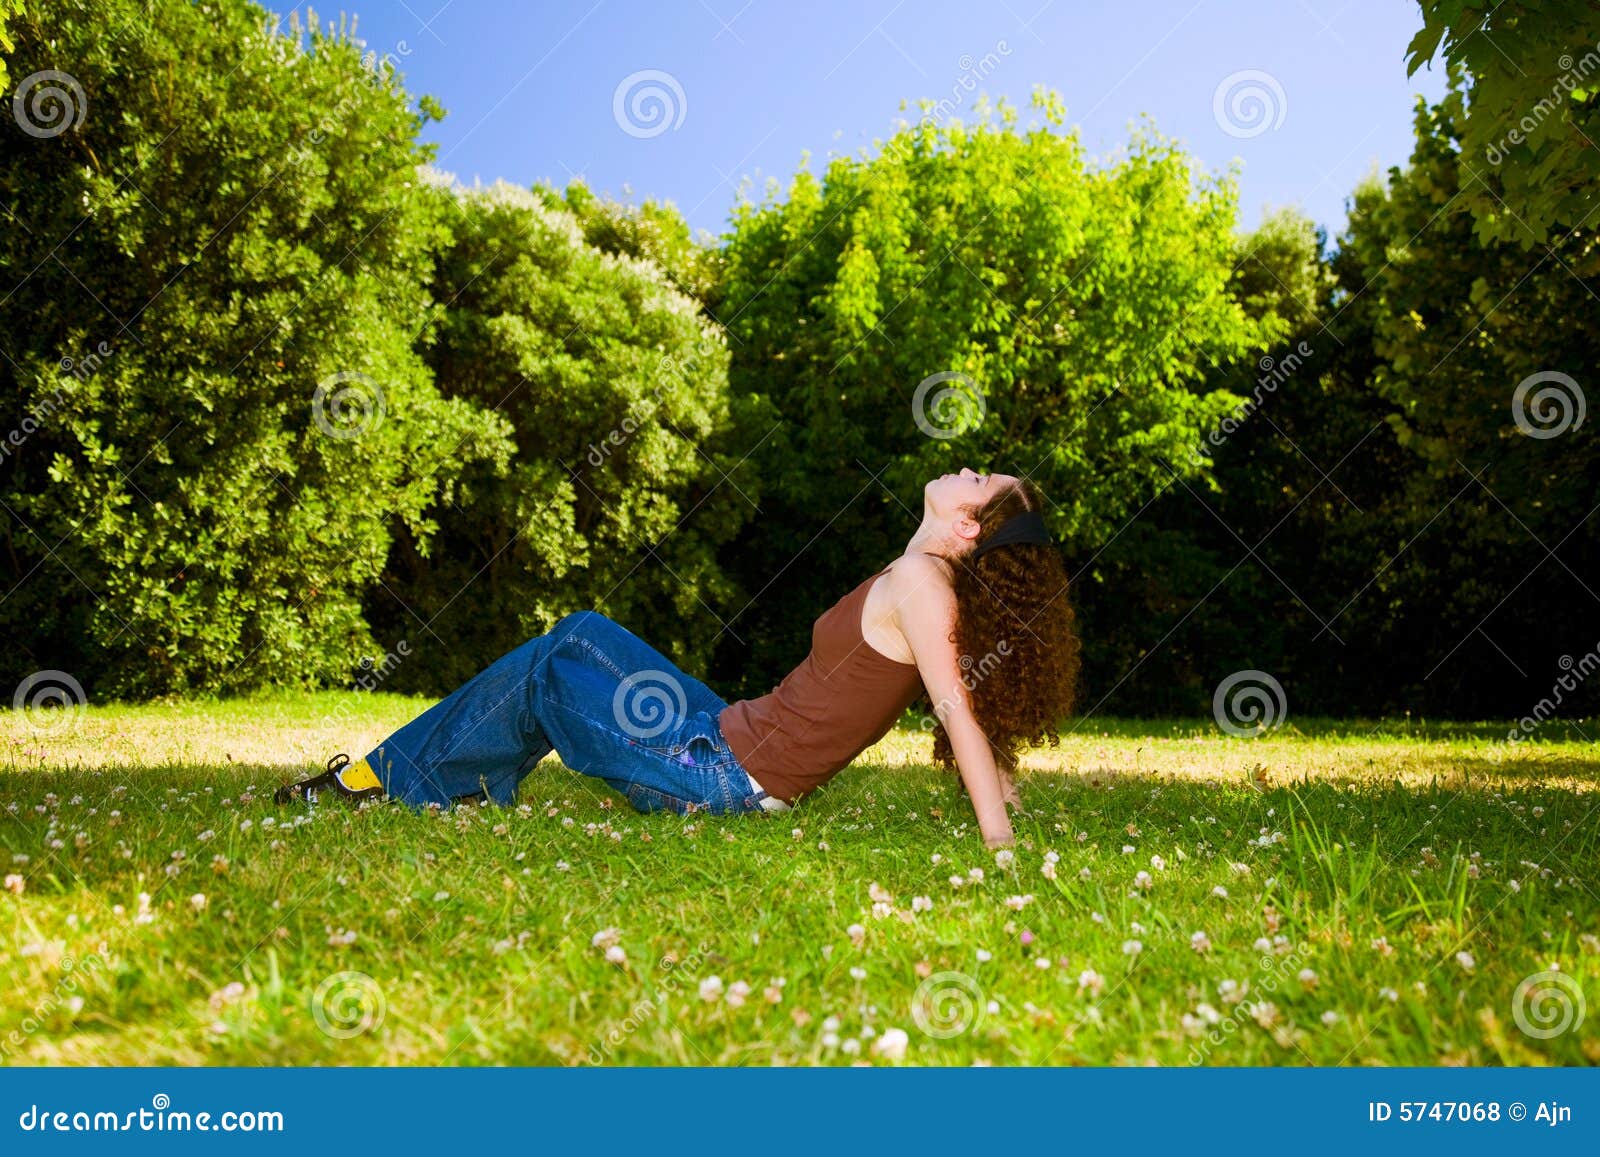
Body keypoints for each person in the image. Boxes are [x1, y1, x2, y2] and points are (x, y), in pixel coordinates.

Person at [274, 468, 1080, 848]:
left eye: (978, 478)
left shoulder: (920, 581)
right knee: (580, 634)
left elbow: (958, 712)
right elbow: (978, 710)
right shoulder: (927, 580)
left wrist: (999, 842)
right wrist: (1004, 787)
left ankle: (385, 782)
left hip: (721, 774)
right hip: (721, 729)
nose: (964, 466)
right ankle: (437, 780)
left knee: (552, 666)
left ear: (968, 527)